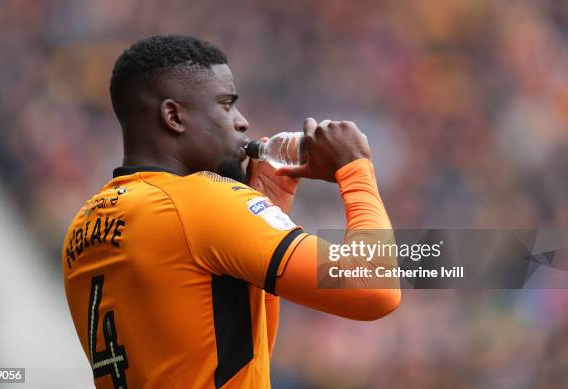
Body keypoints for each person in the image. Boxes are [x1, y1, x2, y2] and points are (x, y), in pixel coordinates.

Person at [62, 34, 400, 389]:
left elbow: (239, 355)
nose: (242, 122)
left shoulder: (85, 223)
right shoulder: (199, 201)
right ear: (173, 116)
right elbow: (375, 288)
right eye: (226, 105)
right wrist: (355, 167)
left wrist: (267, 209)